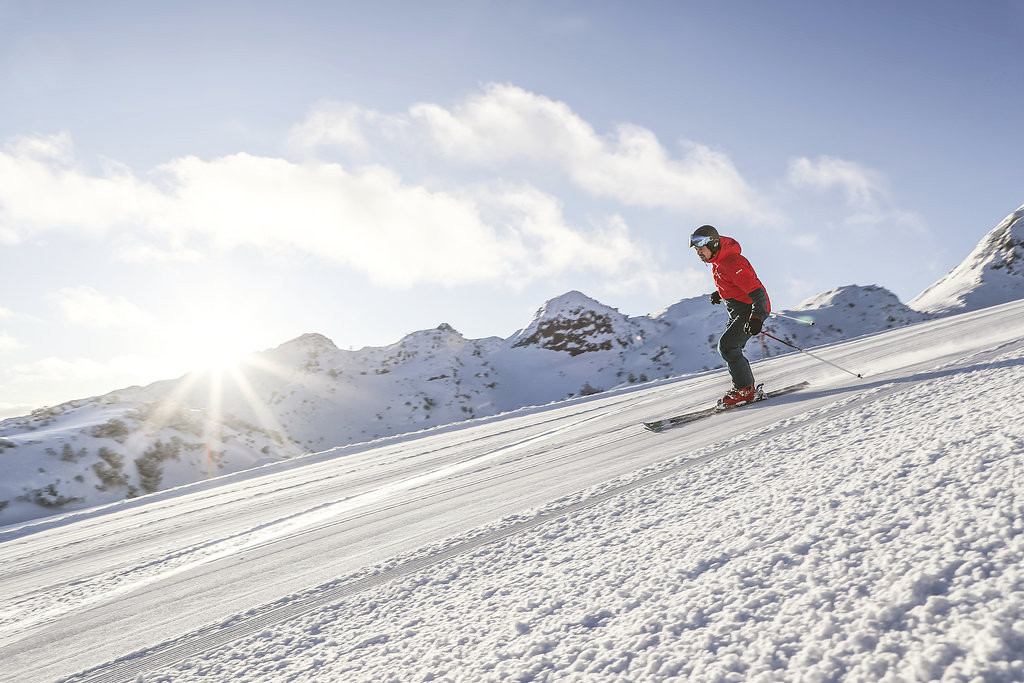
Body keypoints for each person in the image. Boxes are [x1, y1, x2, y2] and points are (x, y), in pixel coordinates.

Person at [690, 225, 771, 407]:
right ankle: (746, 388)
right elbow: (734, 282)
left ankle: (744, 390)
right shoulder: (718, 261)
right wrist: (721, 292)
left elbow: (757, 292)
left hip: (750, 310)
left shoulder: (732, 262)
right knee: (727, 348)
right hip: (739, 310)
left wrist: (756, 317)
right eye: (696, 250)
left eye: (700, 249)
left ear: (713, 244)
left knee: (728, 346)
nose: (698, 254)